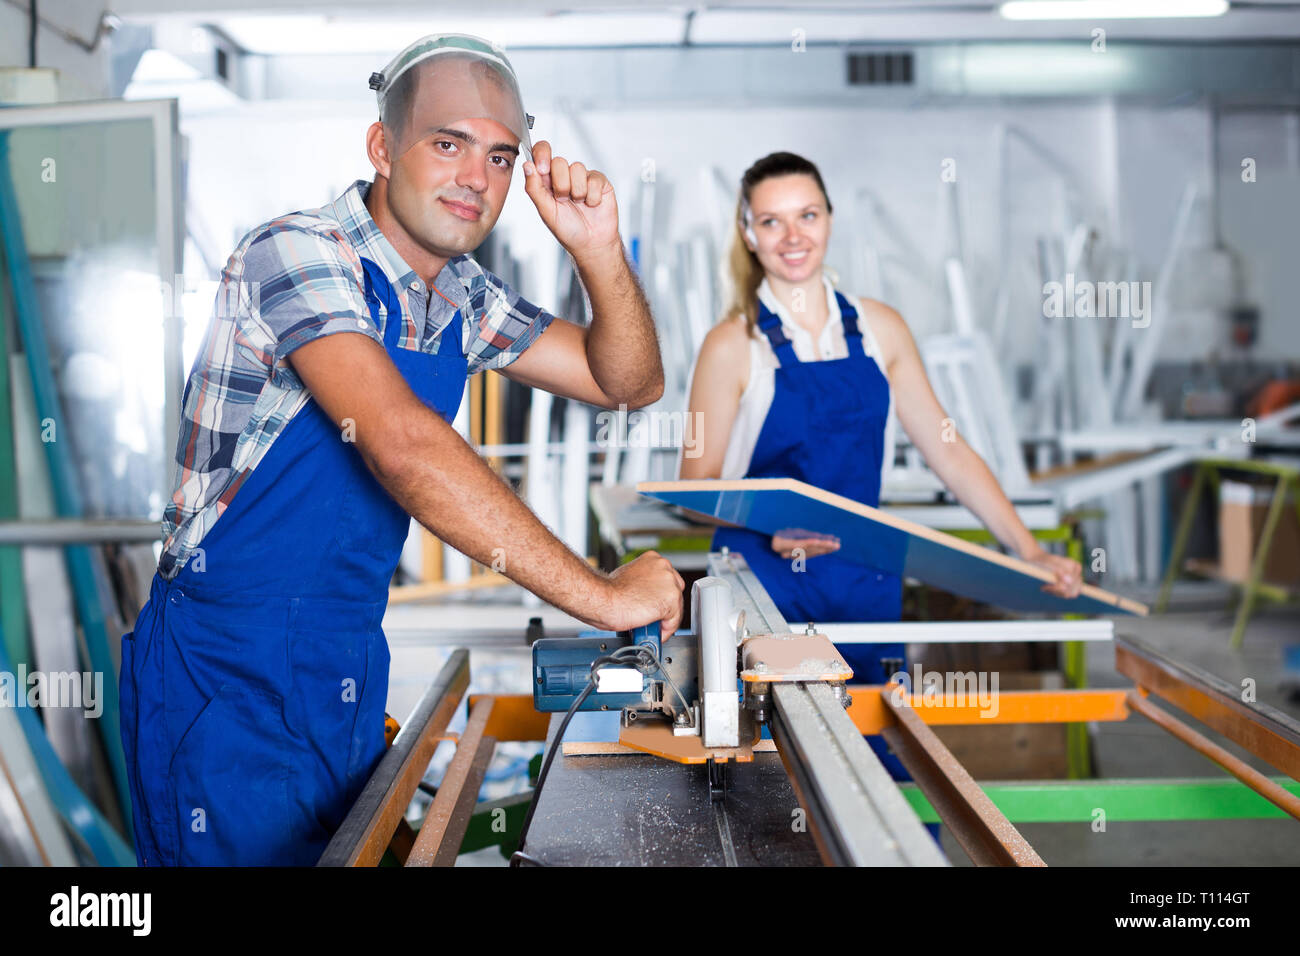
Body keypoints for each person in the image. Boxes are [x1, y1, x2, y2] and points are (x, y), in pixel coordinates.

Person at [119, 33, 683, 866]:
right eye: (447, 144)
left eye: (499, 157)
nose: (475, 179)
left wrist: (599, 251)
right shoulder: (298, 253)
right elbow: (403, 447)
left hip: (343, 663)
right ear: (383, 147)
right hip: (223, 678)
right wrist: (600, 597)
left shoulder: (460, 293)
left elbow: (628, 383)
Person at [681, 151, 1081, 780]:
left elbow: (946, 446)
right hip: (763, 581)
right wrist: (769, 526)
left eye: (807, 215)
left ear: (830, 220)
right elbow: (694, 486)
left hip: (863, 574)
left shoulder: (880, 329)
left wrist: (1025, 548)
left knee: (877, 747)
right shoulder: (732, 345)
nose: (793, 237)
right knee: (766, 759)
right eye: (773, 221)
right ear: (749, 233)